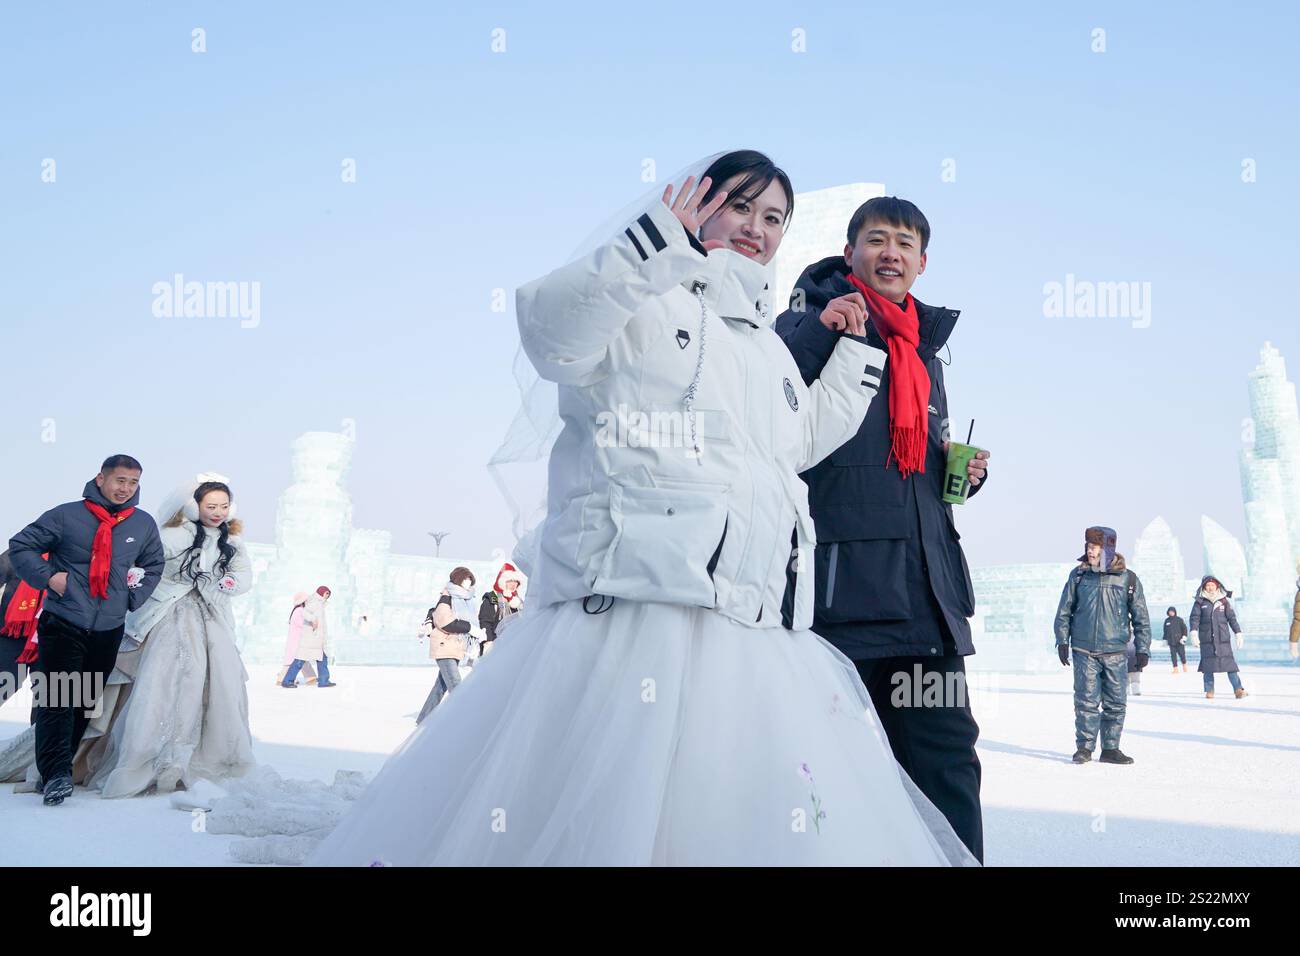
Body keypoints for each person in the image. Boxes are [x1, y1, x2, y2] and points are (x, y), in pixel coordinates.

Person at [309, 150, 974, 866]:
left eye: (774, 217)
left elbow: (800, 440)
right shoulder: (641, 298)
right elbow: (551, 332)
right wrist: (654, 243)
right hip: (632, 615)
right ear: (698, 201)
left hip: (743, 623)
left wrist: (850, 356)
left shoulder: (762, 345)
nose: (756, 228)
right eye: (741, 206)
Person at [773, 196, 988, 859]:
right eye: (876, 239)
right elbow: (771, 409)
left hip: (926, 603)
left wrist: (958, 472)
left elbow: (907, 464)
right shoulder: (809, 320)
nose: (890, 251)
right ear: (851, 253)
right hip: (839, 606)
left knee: (946, 767)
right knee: (825, 777)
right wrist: (819, 332)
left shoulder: (925, 352)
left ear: (922, 263)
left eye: (904, 242)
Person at [6, 455, 165, 805]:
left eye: (133, 482)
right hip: (63, 620)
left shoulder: (142, 524)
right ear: (100, 478)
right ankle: (56, 775)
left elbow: (154, 564)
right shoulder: (66, 515)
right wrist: (50, 578)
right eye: (120, 480)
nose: (126, 488)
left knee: (83, 700)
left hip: (108, 627)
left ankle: (57, 768)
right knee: (57, 698)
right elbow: (21, 545)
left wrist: (132, 595)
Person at [90, 480, 255, 796]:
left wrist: (231, 581)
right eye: (210, 506)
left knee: (219, 682)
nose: (217, 512)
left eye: (223, 506)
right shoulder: (174, 535)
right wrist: (137, 573)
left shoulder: (233, 540)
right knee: (165, 679)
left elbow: (244, 574)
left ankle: (203, 757)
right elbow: (146, 559)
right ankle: (149, 757)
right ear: (195, 507)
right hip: (171, 613)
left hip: (211, 617)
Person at [1054, 526, 1151, 765]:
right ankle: (1084, 749)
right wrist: (1062, 640)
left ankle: (1110, 749)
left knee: (1116, 703)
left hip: (1116, 651)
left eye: (1094, 547)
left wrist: (1142, 648)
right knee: (1085, 701)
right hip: (1084, 649)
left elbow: (1141, 617)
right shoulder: (1078, 575)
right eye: (1088, 546)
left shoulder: (1128, 578)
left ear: (1107, 549)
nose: (1090, 551)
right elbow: (1064, 610)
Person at [416, 567, 476, 722]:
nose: (468, 582)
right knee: (456, 686)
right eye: (465, 579)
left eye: (470, 579)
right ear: (458, 579)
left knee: (440, 686)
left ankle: (424, 718)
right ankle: (465, 720)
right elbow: (445, 622)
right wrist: (470, 628)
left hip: (455, 647)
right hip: (444, 646)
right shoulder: (447, 598)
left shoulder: (466, 599)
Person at [1190, 575, 1246, 699]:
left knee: (1231, 666)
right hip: (1207, 640)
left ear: (1217, 586)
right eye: (1208, 586)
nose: (1210, 588)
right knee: (1208, 667)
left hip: (1223, 640)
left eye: (1212, 585)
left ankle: (1238, 689)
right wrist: (1193, 632)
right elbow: (1194, 618)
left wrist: (1238, 633)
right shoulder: (1200, 602)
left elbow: (1232, 619)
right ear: (1204, 587)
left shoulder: (1224, 601)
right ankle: (1209, 691)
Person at [1, 548, 42, 709]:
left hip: (54, 635)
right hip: (11, 632)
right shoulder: (26, 546)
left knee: (50, 698)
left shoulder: (82, 555)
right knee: (6, 681)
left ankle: (40, 735)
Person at [282, 587, 335, 688]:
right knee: (299, 661)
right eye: (326, 593)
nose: (327, 596)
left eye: (328, 594)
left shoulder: (320, 603)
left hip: (317, 639)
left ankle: (323, 681)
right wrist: (313, 619)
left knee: (322, 659)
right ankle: (287, 681)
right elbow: (305, 612)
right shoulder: (314, 602)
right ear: (321, 592)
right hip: (310, 639)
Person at [478, 562, 524, 656]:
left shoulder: (518, 602)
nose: (513, 584)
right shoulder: (492, 598)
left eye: (516, 582)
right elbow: (485, 621)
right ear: (503, 582)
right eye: (510, 581)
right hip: (495, 643)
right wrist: (488, 641)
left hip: (513, 644)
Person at [277, 592, 316, 687]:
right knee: (298, 660)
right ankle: (310, 678)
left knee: (296, 660)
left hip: (295, 640)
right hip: (298, 640)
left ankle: (311, 678)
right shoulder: (300, 611)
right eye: (306, 600)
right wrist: (312, 625)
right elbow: (302, 624)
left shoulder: (297, 610)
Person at [1163, 606, 1189, 673]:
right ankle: (1175, 669)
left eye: (1172, 611)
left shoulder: (1179, 619)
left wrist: (1184, 637)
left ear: (1175, 612)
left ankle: (1185, 667)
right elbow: (1165, 631)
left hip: (1179, 641)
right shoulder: (1167, 621)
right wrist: (1164, 640)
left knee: (1182, 655)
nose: (1171, 613)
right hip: (1171, 642)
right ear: (1168, 612)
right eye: (1170, 612)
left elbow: (1184, 629)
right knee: (1173, 656)